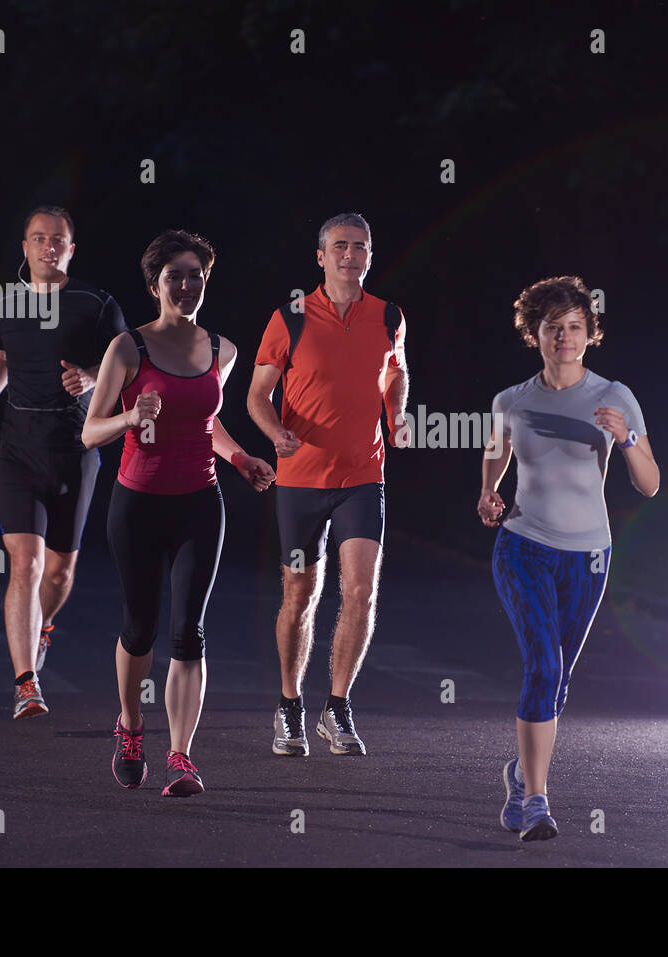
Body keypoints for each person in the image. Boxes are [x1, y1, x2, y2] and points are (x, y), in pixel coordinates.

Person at [82, 229, 275, 797]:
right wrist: (128, 418)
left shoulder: (224, 350)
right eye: (175, 277)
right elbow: (90, 430)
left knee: (188, 631)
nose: (187, 285)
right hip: (137, 503)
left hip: (199, 502)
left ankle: (181, 756)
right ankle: (131, 727)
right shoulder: (127, 349)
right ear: (154, 285)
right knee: (140, 630)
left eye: (196, 276)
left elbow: (207, 423)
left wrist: (241, 458)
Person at [478, 275, 660, 842]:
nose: (564, 337)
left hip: (589, 558)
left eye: (575, 327)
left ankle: (518, 772)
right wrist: (488, 493)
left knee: (556, 686)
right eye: (553, 328)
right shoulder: (512, 400)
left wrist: (627, 439)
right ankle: (537, 800)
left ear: (590, 333)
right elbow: (495, 454)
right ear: (534, 333)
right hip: (523, 546)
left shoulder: (615, 396)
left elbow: (650, 484)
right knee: (544, 667)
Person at [247, 213, 409, 757]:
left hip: (364, 477)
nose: (349, 255)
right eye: (339, 246)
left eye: (359, 247)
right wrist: (276, 434)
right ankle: (289, 707)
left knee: (361, 591)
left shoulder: (389, 316)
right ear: (320, 256)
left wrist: (397, 415)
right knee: (302, 593)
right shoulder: (289, 318)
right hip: (300, 482)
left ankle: (337, 707)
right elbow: (256, 395)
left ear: (369, 255)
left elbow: (396, 371)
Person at [0, 205, 127, 720]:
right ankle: (25, 683)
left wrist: (89, 375)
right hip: (18, 450)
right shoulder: (5, 303)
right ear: (25, 247)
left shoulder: (95, 303)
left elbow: (125, 361)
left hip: (76, 451)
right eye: (39, 238)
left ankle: (44, 629)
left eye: (58, 239)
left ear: (71, 248)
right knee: (26, 564)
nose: (48, 247)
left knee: (59, 571)